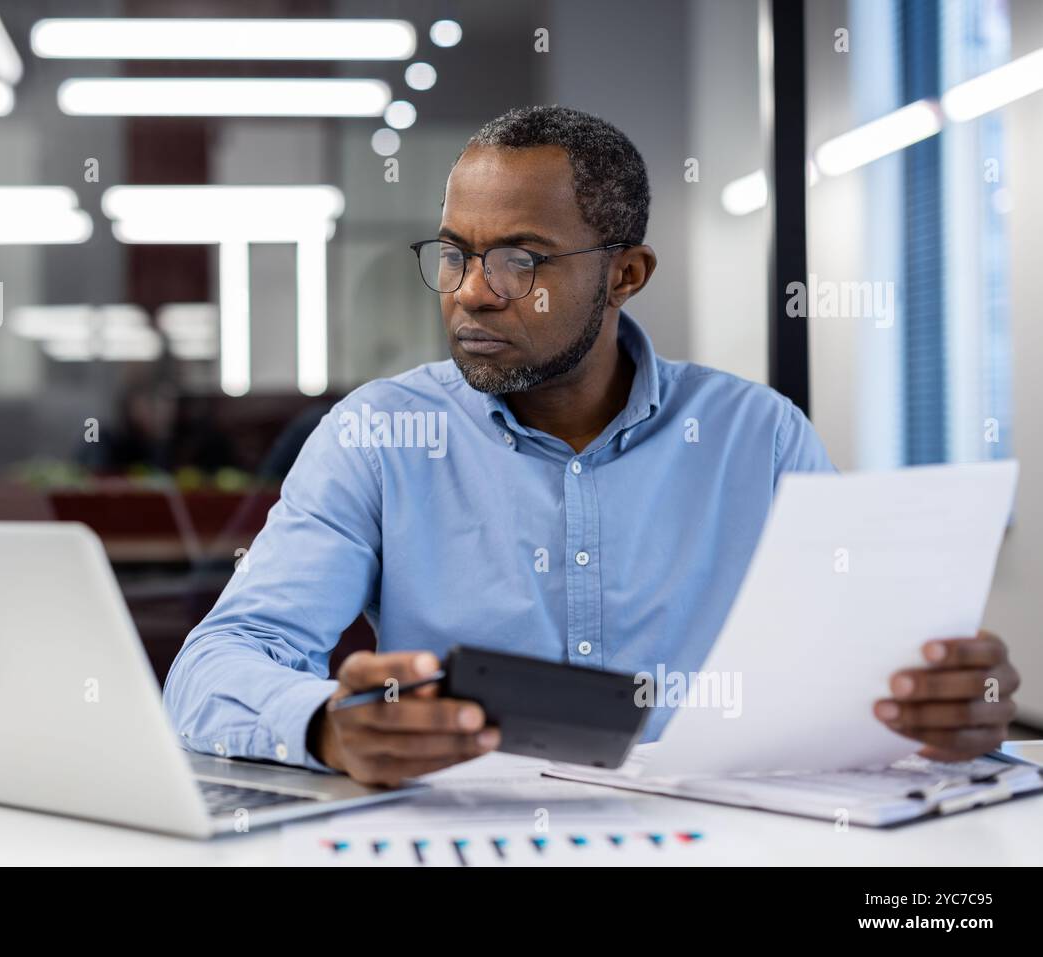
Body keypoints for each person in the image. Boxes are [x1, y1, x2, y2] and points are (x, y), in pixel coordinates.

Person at [163, 105, 1020, 786]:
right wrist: (328, 725)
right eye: (456, 254)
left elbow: (866, 675)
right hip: (466, 841)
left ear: (625, 275)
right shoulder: (378, 436)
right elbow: (216, 665)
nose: (472, 293)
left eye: (520, 260)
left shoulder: (755, 438)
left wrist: (950, 707)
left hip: (719, 841)